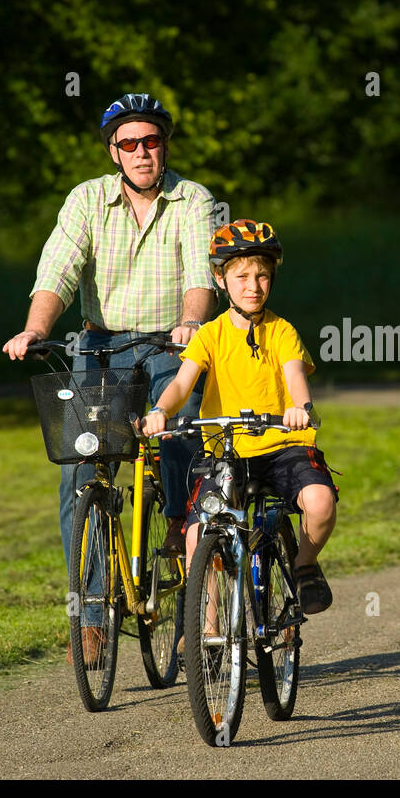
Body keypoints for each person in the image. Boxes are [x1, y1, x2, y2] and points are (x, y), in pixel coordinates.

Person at [3, 92, 217, 664]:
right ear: (114, 152)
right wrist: (33, 330)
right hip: (102, 344)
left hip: (174, 340)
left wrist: (192, 323)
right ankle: (92, 617)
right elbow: (59, 268)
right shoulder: (87, 200)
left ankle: (180, 536)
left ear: (164, 146)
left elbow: (202, 272)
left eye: (151, 141)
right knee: (80, 476)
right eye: (130, 144)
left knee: (180, 438)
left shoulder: (192, 198)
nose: (142, 152)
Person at [139, 219, 337, 615]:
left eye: (263, 276)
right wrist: (161, 410)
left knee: (320, 503)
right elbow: (181, 384)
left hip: (283, 445)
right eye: (242, 276)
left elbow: (295, 376)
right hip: (226, 451)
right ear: (220, 278)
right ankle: (208, 630)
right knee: (198, 537)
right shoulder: (210, 334)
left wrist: (300, 408)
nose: (254, 285)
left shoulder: (282, 331)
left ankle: (305, 563)